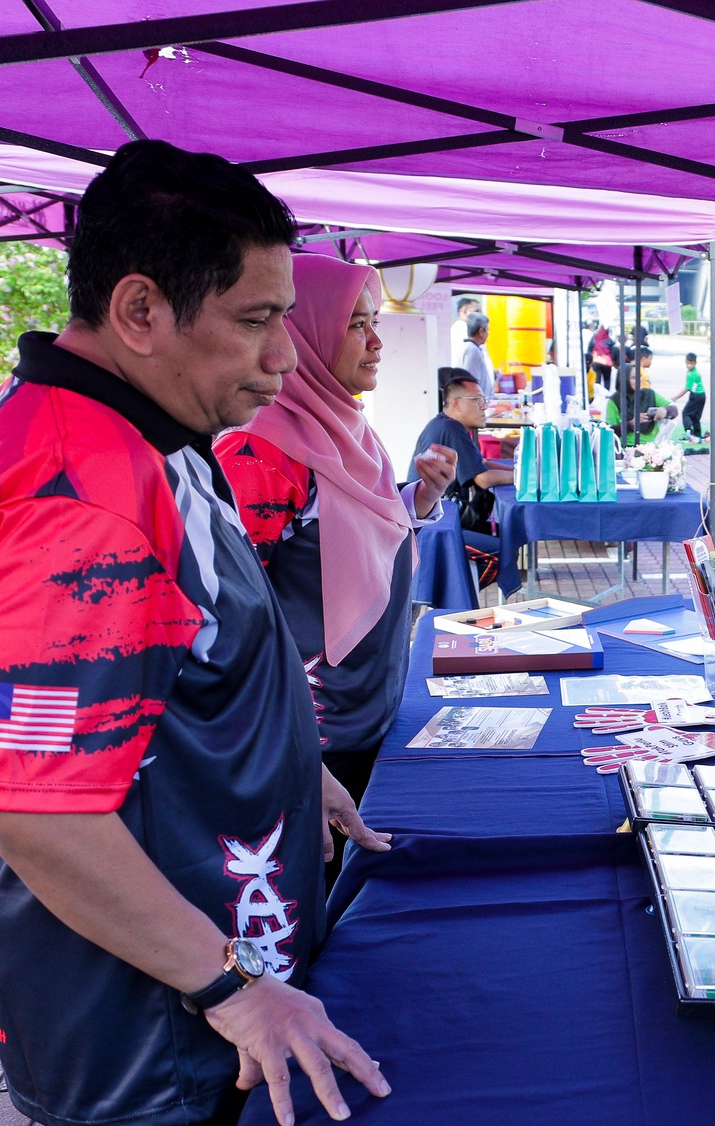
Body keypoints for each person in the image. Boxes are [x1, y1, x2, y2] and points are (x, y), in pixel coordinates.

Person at [0, 139, 391, 1126]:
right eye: (253, 323)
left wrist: (296, 764)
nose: (281, 359)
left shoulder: (140, 432)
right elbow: (30, 805)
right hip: (152, 1008)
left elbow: (176, 667)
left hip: (202, 950)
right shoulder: (76, 475)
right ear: (139, 308)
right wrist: (230, 992)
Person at [216, 254, 454, 878]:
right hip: (310, 740)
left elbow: (343, 540)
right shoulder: (259, 451)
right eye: (355, 325)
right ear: (304, 334)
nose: (376, 342)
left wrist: (419, 501)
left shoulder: (346, 429)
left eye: (374, 322)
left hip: (365, 713)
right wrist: (294, 754)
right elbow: (230, 616)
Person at [413, 368, 506, 587]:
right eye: (477, 400)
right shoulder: (451, 427)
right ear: (455, 403)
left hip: (446, 518)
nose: (484, 407)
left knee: (505, 533)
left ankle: (455, 595)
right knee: (503, 553)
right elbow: (483, 478)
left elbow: (481, 464)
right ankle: (454, 600)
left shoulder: (445, 424)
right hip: (437, 529)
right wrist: (524, 477)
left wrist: (520, 472)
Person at [605, 352, 676, 446]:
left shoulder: (649, 394)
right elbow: (609, 431)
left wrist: (665, 410)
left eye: (640, 376)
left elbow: (674, 410)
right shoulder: (614, 401)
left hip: (650, 446)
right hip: (625, 447)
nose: (639, 380)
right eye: (634, 377)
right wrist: (631, 424)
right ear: (624, 379)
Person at [458, 311, 495, 399]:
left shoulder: (471, 348)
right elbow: (471, 383)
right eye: (487, 330)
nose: (488, 334)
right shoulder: (472, 350)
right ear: (481, 331)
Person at [681, 351, 706, 438]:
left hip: (696, 396)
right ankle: (697, 434)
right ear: (685, 361)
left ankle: (688, 431)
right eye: (688, 363)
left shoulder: (692, 374)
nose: (689, 365)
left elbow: (687, 388)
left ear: (695, 363)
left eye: (692, 363)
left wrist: (675, 397)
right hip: (701, 395)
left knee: (686, 413)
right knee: (695, 416)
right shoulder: (693, 371)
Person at [589, 322, 614, 395]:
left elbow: (590, 348)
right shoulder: (609, 340)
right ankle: (606, 394)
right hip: (607, 362)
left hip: (596, 361)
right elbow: (613, 351)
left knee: (597, 380)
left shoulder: (594, 339)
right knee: (607, 379)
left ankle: (597, 394)